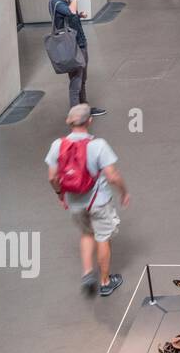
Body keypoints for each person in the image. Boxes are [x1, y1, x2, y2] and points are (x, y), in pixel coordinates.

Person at [45, 103, 130, 297]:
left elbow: (52, 177)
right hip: (98, 201)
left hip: (74, 202)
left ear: (68, 121)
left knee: (86, 233)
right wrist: (124, 192)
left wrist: (60, 195)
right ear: (90, 121)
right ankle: (106, 282)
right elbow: (112, 176)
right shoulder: (98, 145)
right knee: (103, 237)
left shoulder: (57, 145)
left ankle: (87, 273)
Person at [47, 0, 105, 115]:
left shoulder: (62, 0)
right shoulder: (56, 2)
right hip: (72, 46)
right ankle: (76, 115)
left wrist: (79, 15)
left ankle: (84, 108)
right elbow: (70, 11)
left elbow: (69, 15)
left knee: (82, 78)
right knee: (76, 81)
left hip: (79, 42)